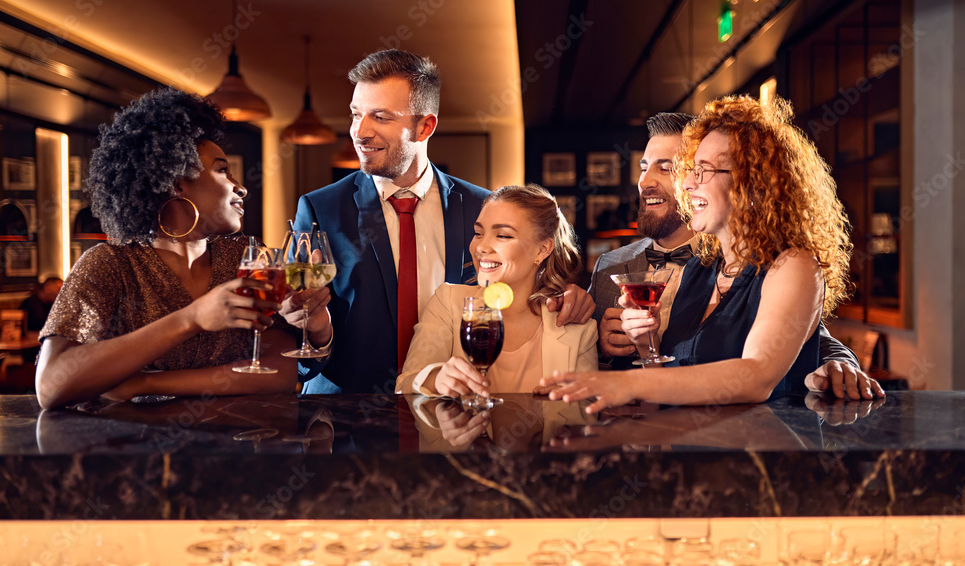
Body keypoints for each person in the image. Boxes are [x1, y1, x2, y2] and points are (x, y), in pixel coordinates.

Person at [288, 50, 593, 394]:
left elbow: (513, 292)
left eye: (381, 117)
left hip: (452, 411)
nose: (359, 131)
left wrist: (562, 296)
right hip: (347, 423)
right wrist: (315, 328)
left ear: (425, 126)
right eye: (356, 114)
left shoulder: (483, 210)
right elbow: (300, 345)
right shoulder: (318, 209)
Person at [547, 95, 856, 411]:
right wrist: (644, 344)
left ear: (752, 185)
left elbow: (756, 377)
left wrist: (627, 383)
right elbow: (668, 385)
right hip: (694, 453)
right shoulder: (698, 270)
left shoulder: (794, 265)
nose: (688, 183)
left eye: (703, 170)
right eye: (690, 169)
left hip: (767, 454)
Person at [35, 88, 303, 409]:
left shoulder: (247, 256)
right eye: (222, 170)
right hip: (131, 451)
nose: (240, 186)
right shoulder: (110, 264)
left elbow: (281, 372)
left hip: (233, 449)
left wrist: (144, 383)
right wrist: (191, 319)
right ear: (177, 183)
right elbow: (51, 385)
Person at [396, 184, 598, 398]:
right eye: (478, 233)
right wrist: (434, 379)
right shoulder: (447, 302)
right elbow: (404, 385)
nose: (481, 246)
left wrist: (572, 402)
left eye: (503, 236)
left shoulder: (578, 329)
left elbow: (588, 414)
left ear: (542, 249)